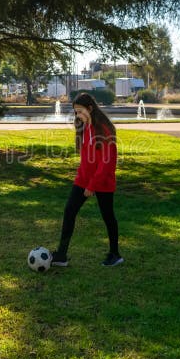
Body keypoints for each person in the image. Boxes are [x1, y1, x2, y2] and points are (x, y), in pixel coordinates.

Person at [52, 92, 123, 267]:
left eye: (80, 111)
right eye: (75, 112)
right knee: (69, 211)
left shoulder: (105, 129)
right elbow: (86, 160)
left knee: (108, 216)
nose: (78, 116)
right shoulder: (83, 128)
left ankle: (115, 254)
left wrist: (93, 185)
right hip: (84, 180)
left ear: (90, 109)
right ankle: (61, 255)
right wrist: (82, 180)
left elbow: (107, 163)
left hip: (103, 181)